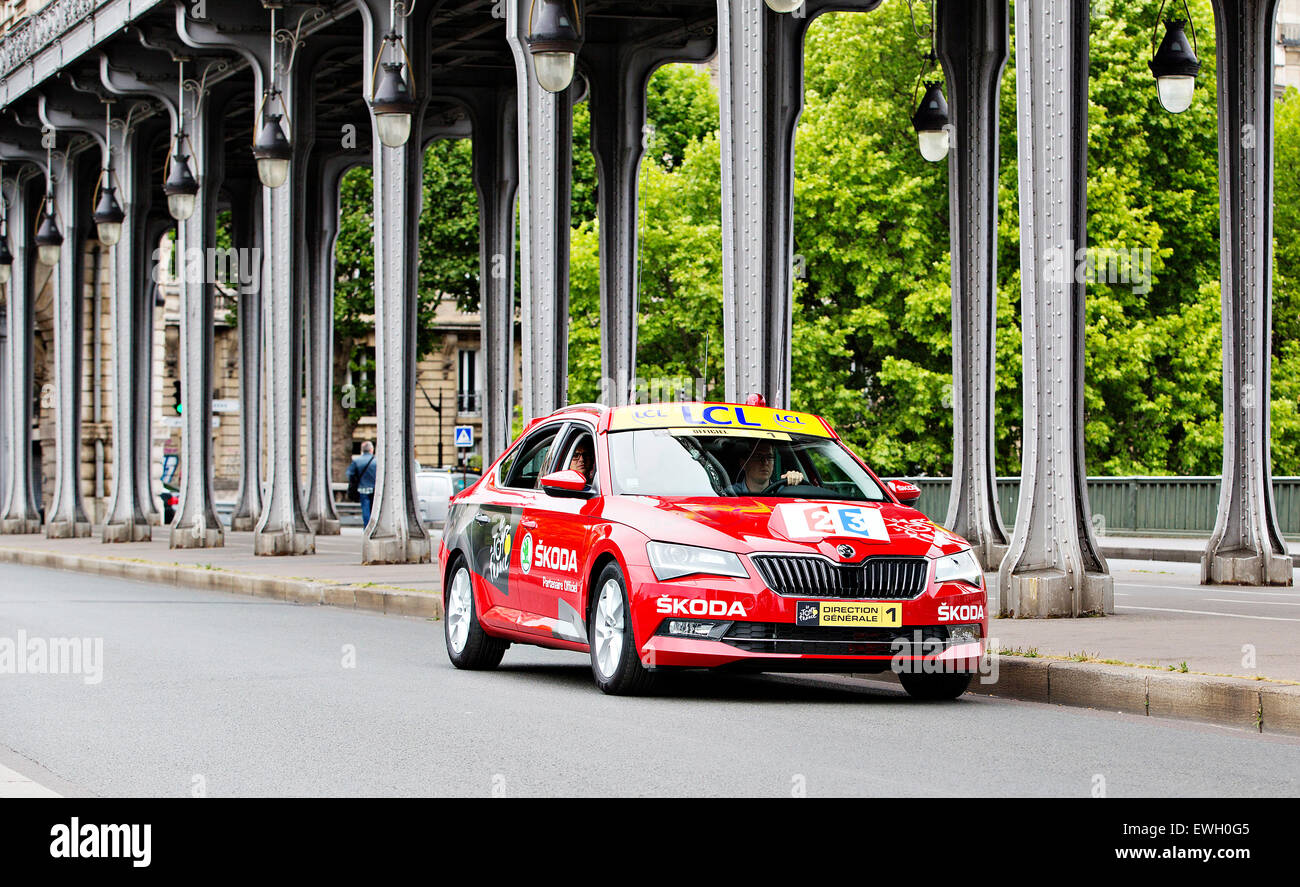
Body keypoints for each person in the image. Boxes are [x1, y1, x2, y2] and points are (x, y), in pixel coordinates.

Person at [725, 440, 803, 496]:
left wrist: (796, 483)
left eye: (769, 457)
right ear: (743, 464)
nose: (765, 462)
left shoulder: (783, 492)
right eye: (758, 456)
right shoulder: (729, 494)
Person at [347, 441, 378, 527]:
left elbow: (350, 474)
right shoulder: (377, 461)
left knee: (365, 509)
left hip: (362, 488)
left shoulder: (357, 461)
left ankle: (367, 527)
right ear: (371, 450)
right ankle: (373, 527)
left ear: (362, 450)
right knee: (374, 509)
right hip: (375, 489)